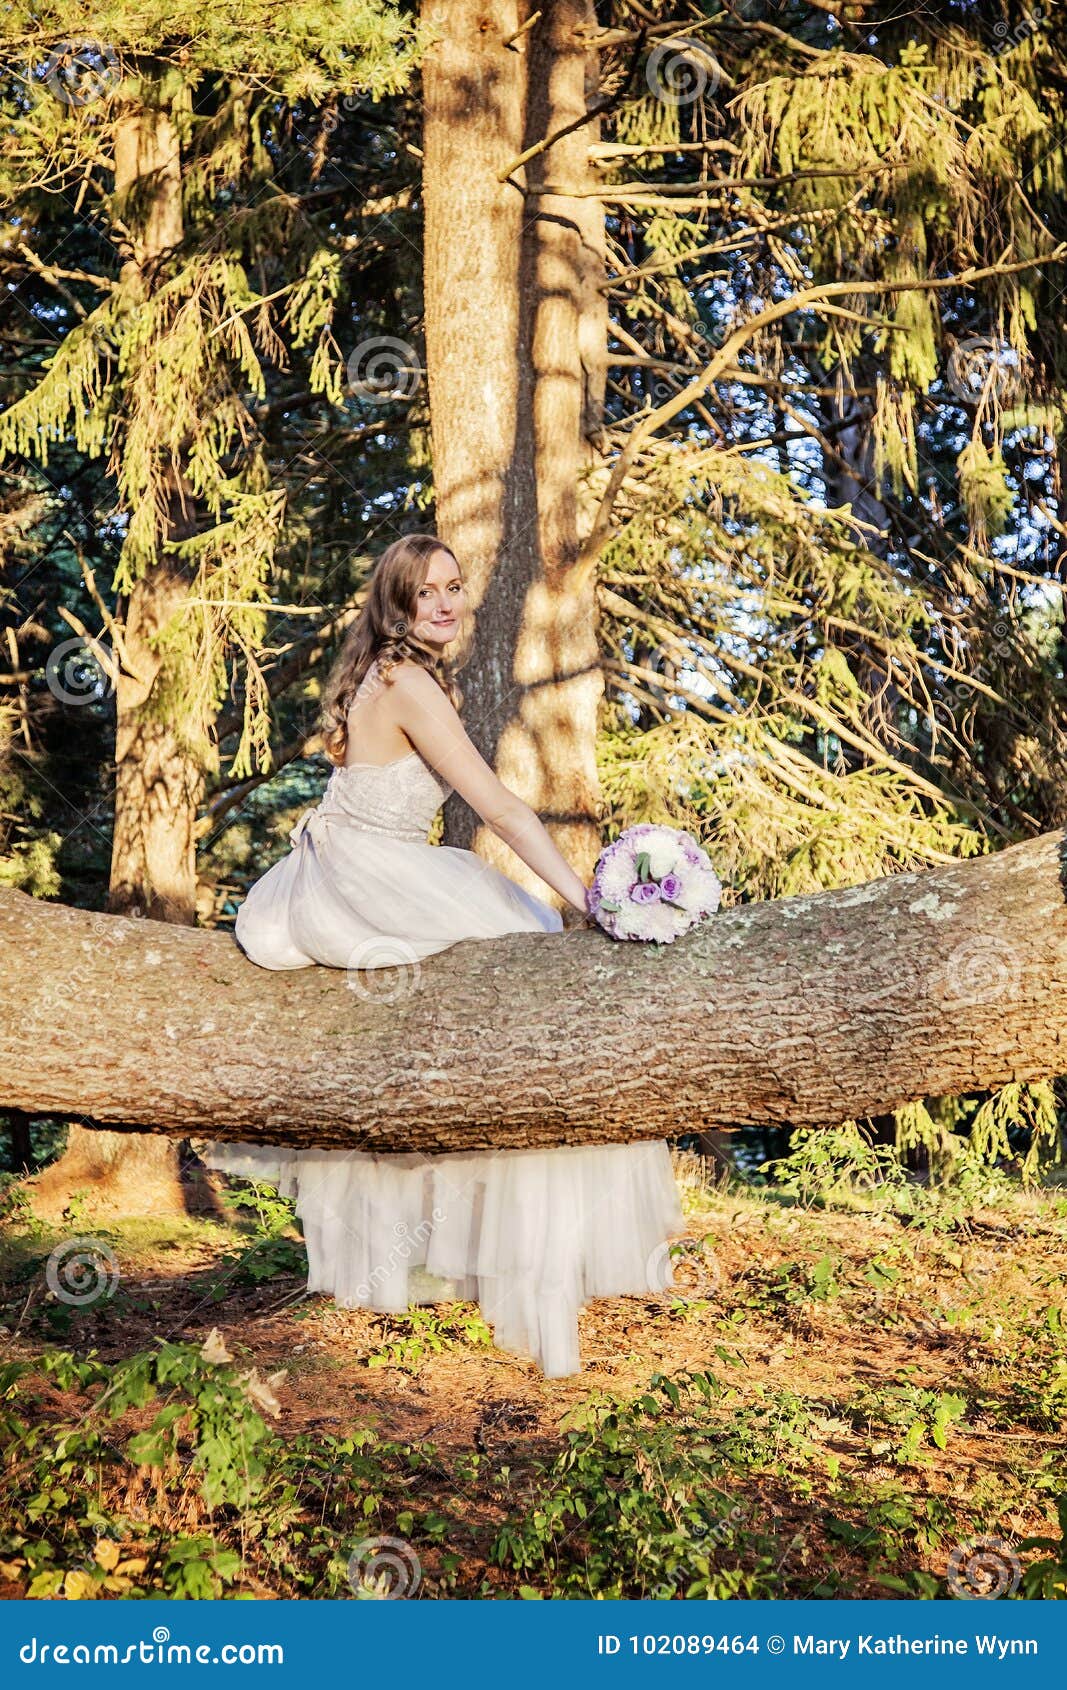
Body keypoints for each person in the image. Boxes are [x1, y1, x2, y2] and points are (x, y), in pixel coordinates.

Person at [201, 533, 683, 1377]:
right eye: (425, 592)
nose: (445, 604)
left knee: (507, 947)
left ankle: (463, 1228)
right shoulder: (408, 682)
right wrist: (587, 899)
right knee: (529, 940)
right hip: (365, 870)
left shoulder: (384, 673)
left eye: (454, 587)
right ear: (395, 605)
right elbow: (498, 809)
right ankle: (518, 1234)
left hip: (350, 861)